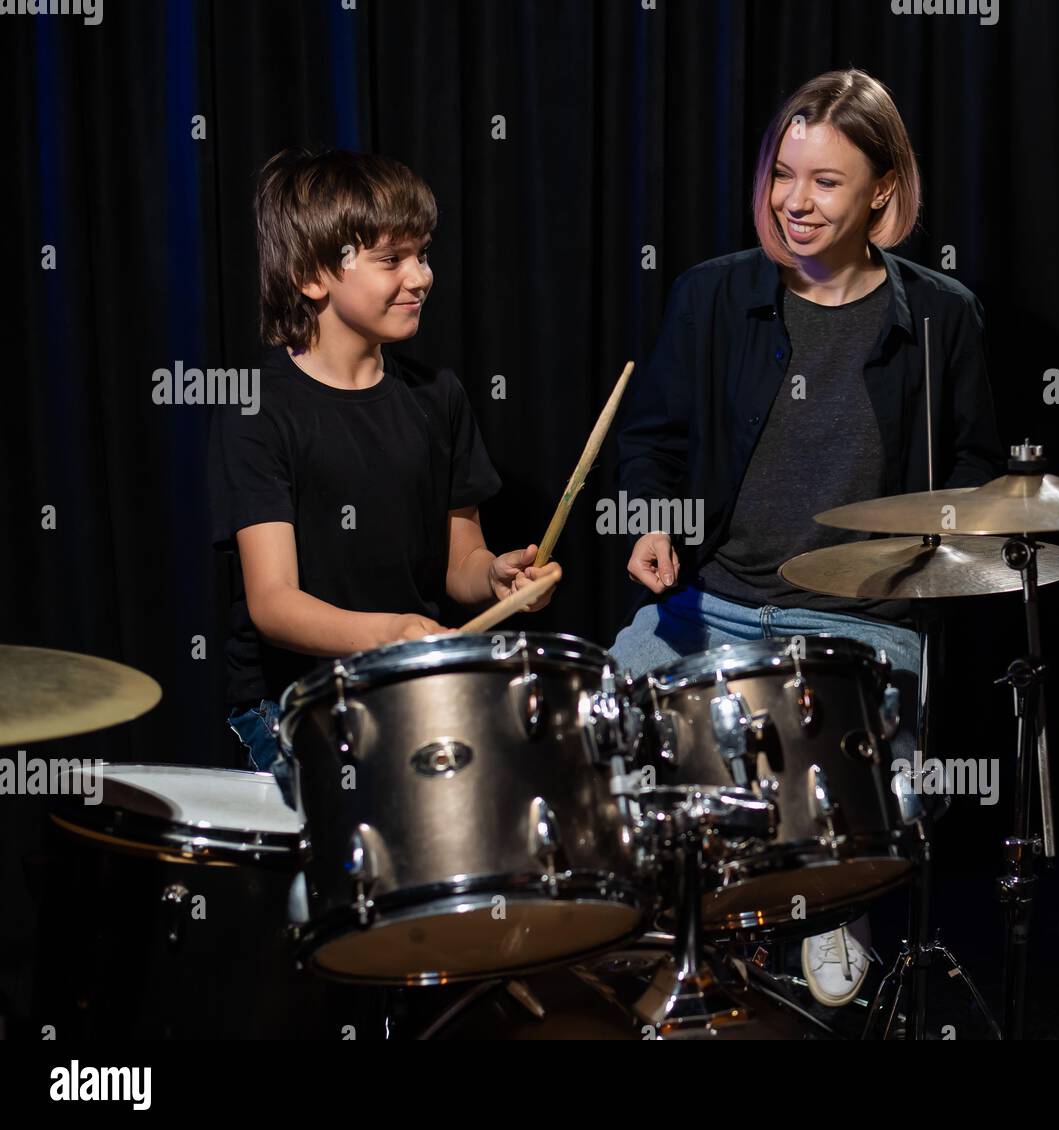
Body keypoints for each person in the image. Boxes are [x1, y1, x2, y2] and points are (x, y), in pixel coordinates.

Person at [611, 69, 1002, 1007]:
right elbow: (652, 439)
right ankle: (648, 932)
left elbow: (979, 477)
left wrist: (944, 552)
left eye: (826, 181)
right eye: (783, 174)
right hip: (721, 598)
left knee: (843, 780)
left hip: (863, 619)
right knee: (611, 705)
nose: (794, 201)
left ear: (883, 191)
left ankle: (834, 897)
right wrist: (653, 513)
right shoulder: (714, 296)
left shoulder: (941, 315)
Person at [209, 147, 559, 776]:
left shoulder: (437, 395)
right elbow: (273, 602)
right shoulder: (255, 409)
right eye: (391, 259)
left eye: (422, 254)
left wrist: (497, 579)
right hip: (294, 703)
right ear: (314, 274)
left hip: (408, 692)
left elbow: (460, 564)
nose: (420, 276)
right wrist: (393, 636)